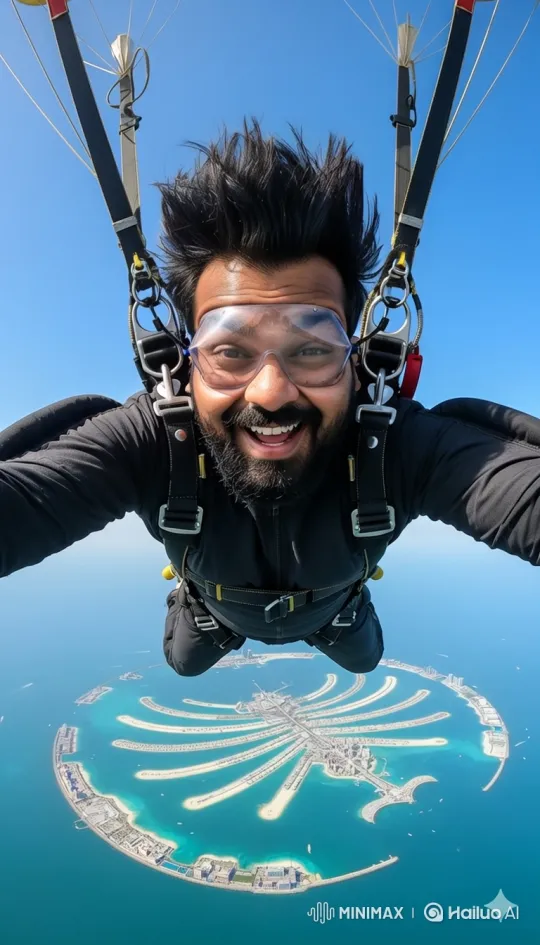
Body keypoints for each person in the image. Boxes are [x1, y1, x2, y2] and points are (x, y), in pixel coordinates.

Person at [2, 120, 540, 678]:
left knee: (364, 660)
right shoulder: (152, 442)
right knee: (184, 661)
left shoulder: (397, 443)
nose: (272, 391)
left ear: (356, 360)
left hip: (333, 610)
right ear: (184, 367)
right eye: (231, 351)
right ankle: (214, 611)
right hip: (216, 613)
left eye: (311, 349)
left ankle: (340, 606)